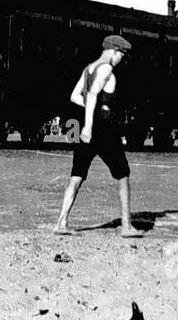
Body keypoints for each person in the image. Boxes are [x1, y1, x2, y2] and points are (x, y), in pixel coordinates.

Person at [54, 35, 144, 237]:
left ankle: (61, 222)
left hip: (89, 130)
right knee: (122, 174)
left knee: (77, 175)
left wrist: (91, 114)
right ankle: (127, 226)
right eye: (122, 54)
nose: (122, 58)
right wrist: (90, 123)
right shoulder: (106, 69)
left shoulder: (89, 69)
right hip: (103, 130)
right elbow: (93, 94)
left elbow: (75, 96)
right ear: (113, 50)